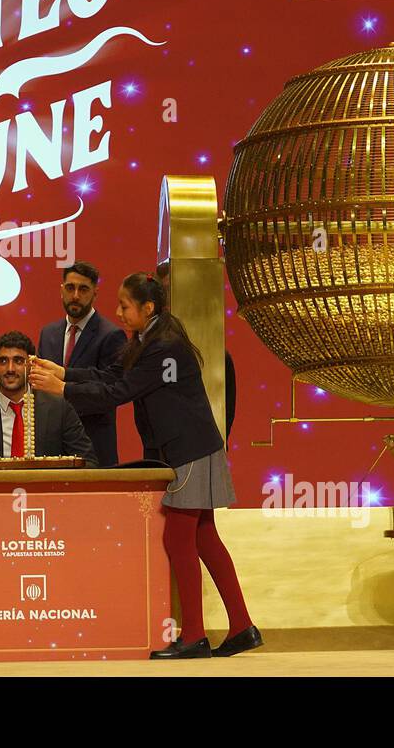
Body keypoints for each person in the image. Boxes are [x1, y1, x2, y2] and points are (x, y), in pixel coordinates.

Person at [30, 272, 261, 659]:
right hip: (189, 450)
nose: (119, 312)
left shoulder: (163, 347)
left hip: (189, 452)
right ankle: (242, 627)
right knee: (204, 537)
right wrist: (64, 373)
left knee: (180, 539)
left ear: (147, 308)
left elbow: (118, 392)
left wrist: (63, 390)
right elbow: (113, 375)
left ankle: (196, 636)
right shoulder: (150, 341)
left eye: (125, 306)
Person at [0, 331, 96, 465]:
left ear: (30, 365)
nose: (10, 369)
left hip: (44, 497)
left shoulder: (59, 409)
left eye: (18, 361)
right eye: (3, 361)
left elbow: (88, 463)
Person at [37, 261, 127, 466]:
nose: (76, 295)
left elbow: (107, 393)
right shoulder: (48, 333)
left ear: (95, 293)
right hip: (51, 447)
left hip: (93, 447)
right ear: (61, 290)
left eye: (83, 289)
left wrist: (62, 387)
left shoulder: (112, 336)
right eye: (70, 288)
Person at [155, 259, 237, 442]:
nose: (168, 300)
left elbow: (225, 419)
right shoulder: (150, 349)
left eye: (173, 291)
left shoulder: (219, 358)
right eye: (164, 293)